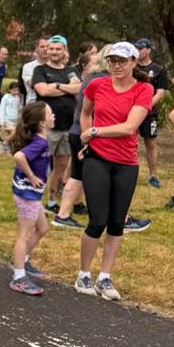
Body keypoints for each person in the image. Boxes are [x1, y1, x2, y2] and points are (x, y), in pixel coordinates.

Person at [74, 42, 154, 300]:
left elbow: (130, 127)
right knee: (98, 220)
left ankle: (105, 277)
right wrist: (87, 140)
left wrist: (94, 132)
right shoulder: (96, 85)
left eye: (122, 61)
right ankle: (83, 273)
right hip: (97, 158)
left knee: (117, 223)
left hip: (126, 163)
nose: (116, 66)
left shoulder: (144, 89)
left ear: (133, 62)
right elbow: (86, 113)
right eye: (112, 61)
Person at [51, 45, 104, 229]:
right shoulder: (101, 81)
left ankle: (63, 214)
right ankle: (114, 216)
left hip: (76, 130)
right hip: (85, 131)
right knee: (93, 175)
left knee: (76, 175)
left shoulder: (90, 79)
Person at [8, 101, 54, 295]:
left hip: (32, 194)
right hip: (27, 194)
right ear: (42, 123)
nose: (54, 116)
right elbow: (19, 157)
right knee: (24, 234)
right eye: (50, 114)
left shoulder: (39, 139)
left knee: (43, 228)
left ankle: (23, 261)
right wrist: (32, 176)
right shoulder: (39, 142)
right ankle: (18, 276)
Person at [30, 36, 80, 209]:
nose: (54, 52)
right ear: (47, 50)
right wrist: (67, 88)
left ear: (65, 51)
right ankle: (32, 199)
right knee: (39, 163)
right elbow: (42, 90)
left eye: (58, 49)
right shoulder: (40, 70)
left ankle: (52, 201)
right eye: (51, 49)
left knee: (61, 165)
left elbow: (79, 89)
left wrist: (57, 86)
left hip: (68, 125)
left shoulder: (71, 71)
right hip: (46, 126)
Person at [134, 39, 170, 188]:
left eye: (141, 48)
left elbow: (160, 92)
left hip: (149, 113)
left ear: (148, 50)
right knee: (130, 143)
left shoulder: (158, 69)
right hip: (131, 112)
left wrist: (146, 106)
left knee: (151, 143)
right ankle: (130, 174)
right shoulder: (131, 67)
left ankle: (153, 175)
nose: (138, 51)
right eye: (136, 48)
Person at [19, 35, 50, 104]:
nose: (45, 49)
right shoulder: (28, 67)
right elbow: (39, 87)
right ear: (36, 49)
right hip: (33, 106)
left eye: (47, 46)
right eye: (42, 47)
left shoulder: (56, 66)